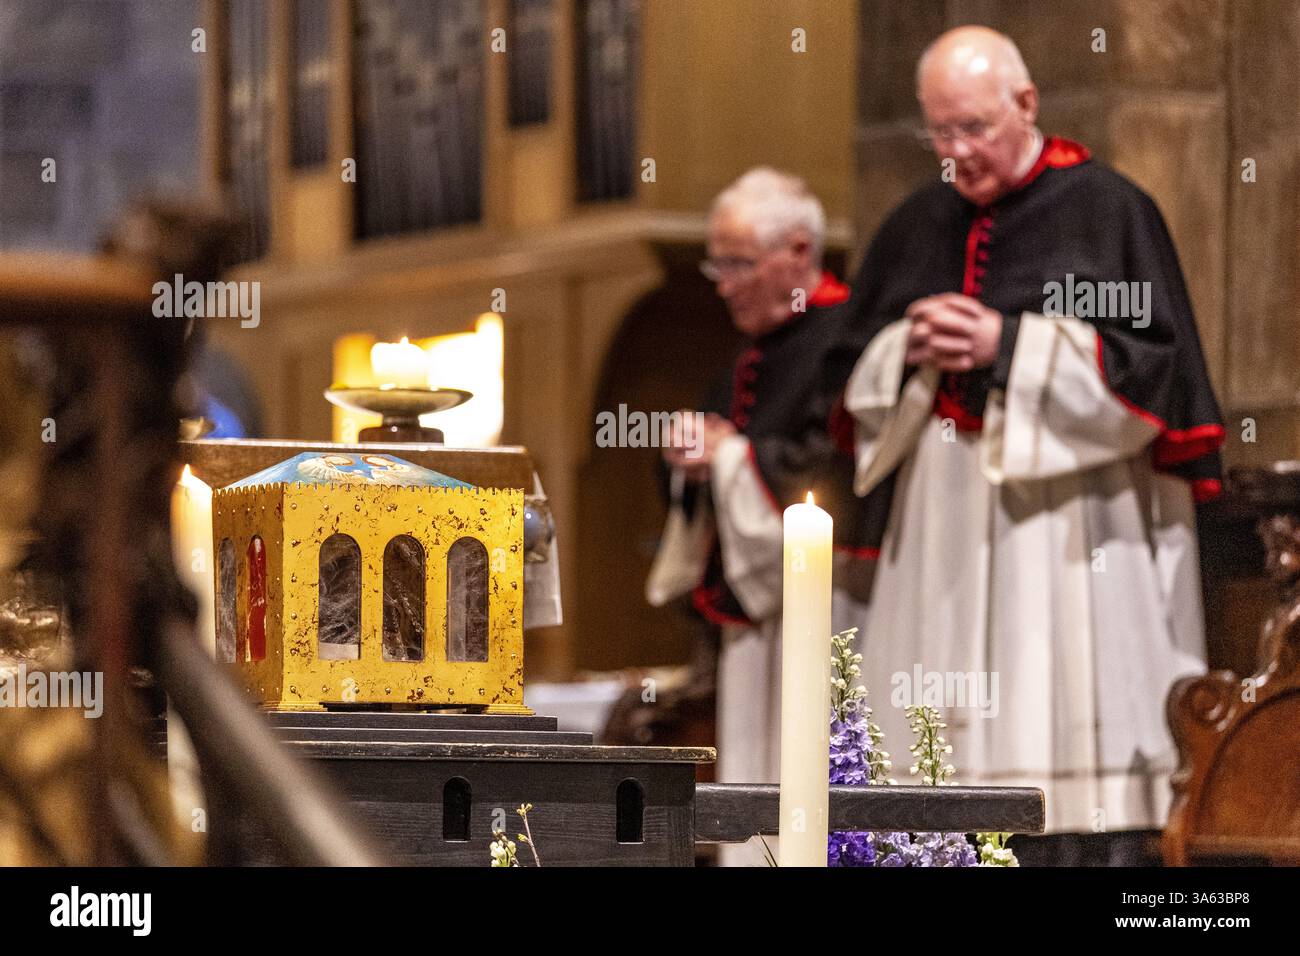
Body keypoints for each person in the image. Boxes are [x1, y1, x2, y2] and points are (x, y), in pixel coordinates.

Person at [830, 26, 1224, 864]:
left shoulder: (1110, 209)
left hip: (1068, 516)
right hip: (940, 508)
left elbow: (1156, 378)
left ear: (1028, 103)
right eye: (940, 132)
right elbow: (842, 381)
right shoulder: (913, 224)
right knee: (927, 771)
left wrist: (1008, 345)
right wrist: (906, 348)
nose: (957, 153)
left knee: (1059, 734)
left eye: (974, 128)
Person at [651, 168, 873, 866]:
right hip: (755, 627)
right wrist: (695, 463)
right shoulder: (750, 356)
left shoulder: (847, 340)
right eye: (716, 263)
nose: (722, 282)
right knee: (756, 781)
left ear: (800, 253)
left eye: (738, 262)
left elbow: (836, 469)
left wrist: (731, 457)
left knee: (818, 765)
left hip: (838, 605)